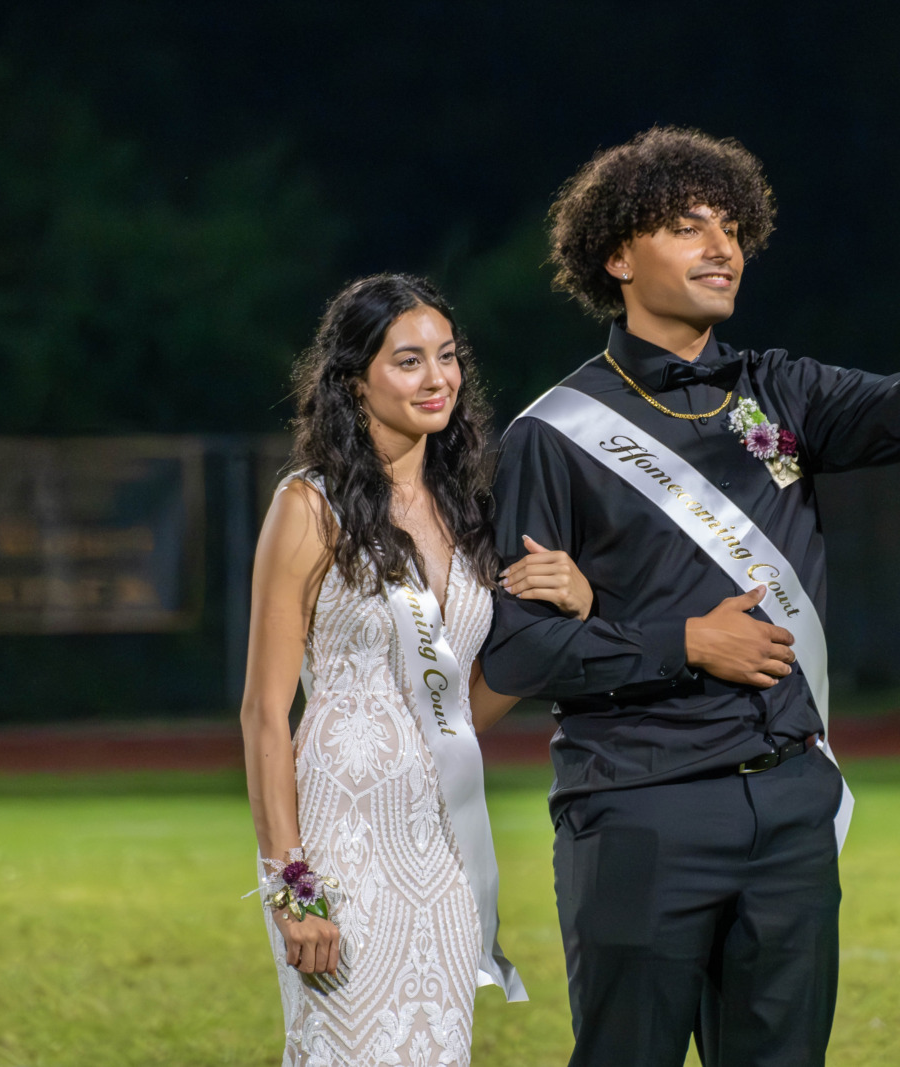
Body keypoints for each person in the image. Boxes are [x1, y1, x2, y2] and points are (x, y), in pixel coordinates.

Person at [480, 127, 900, 1066]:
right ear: (616, 256)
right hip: (640, 806)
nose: (722, 247)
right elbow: (517, 654)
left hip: (790, 805)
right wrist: (686, 641)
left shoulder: (782, 389)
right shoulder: (552, 435)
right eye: (688, 227)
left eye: (731, 227)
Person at [239, 273, 594, 1066]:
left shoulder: (470, 512)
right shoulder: (309, 507)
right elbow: (263, 714)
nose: (437, 378)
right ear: (352, 379)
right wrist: (293, 888)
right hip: (338, 844)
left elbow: (460, 708)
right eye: (407, 360)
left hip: (440, 846)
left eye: (446, 356)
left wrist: (576, 594)